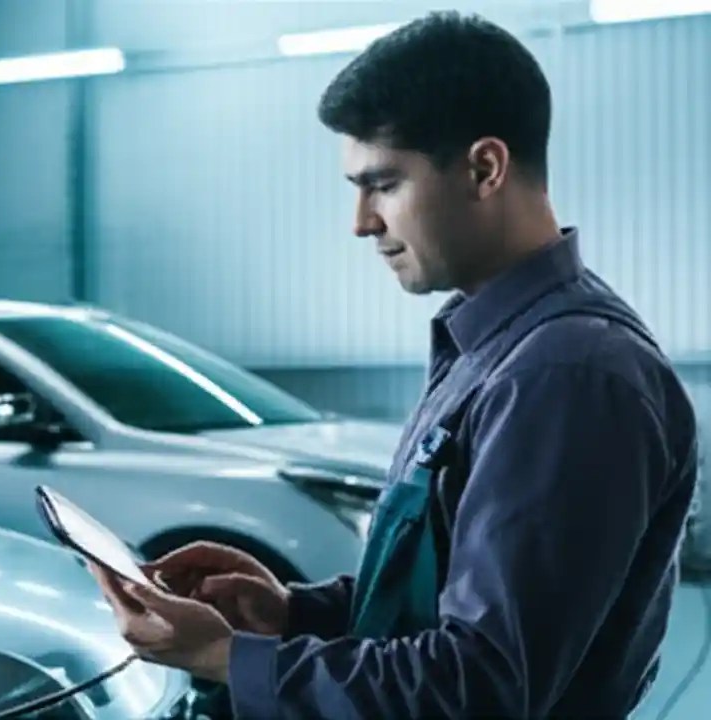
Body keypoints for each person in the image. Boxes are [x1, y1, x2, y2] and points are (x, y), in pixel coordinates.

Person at [89, 10, 699, 718]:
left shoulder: (564, 375)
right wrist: (291, 614)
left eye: (383, 184)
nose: (362, 221)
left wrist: (226, 658)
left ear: (484, 168)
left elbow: (478, 687)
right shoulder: (493, 349)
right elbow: (447, 603)